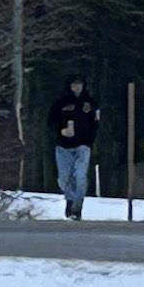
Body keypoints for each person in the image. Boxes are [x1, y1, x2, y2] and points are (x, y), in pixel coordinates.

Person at [48, 76, 100, 219]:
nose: (76, 87)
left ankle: (77, 204)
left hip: (82, 146)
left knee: (80, 175)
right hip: (63, 146)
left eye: (79, 84)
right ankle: (70, 199)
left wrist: (89, 140)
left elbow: (95, 124)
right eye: (74, 85)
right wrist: (61, 130)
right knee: (64, 178)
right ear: (69, 86)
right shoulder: (61, 102)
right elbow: (51, 121)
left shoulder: (90, 103)